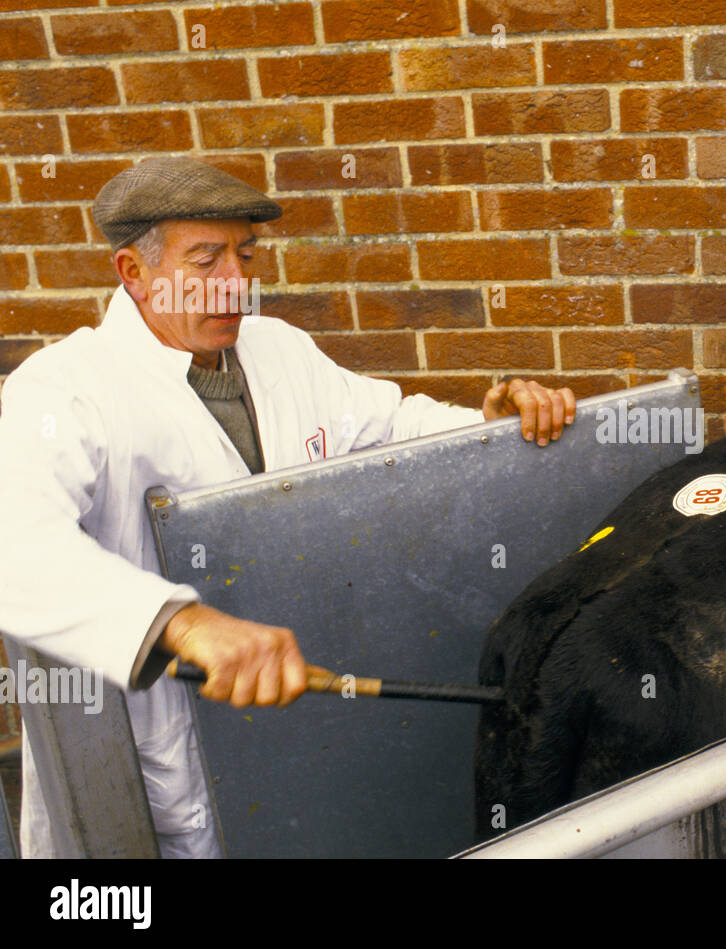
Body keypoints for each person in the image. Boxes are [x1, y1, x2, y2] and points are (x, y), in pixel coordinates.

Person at [0, 156, 580, 858]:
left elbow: (388, 427)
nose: (236, 284)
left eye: (245, 256)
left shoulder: (277, 349)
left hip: (295, 755)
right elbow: (15, 540)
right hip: (159, 788)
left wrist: (491, 424)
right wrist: (183, 622)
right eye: (206, 261)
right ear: (134, 272)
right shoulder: (65, 389)